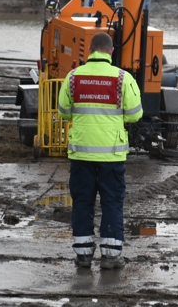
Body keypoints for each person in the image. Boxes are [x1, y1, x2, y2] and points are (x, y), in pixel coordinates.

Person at [57, 32, 143, 269]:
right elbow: (136, 114)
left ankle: (83, 255)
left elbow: (63, 111)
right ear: (111, 52)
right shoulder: (122, 78)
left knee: (82, 202)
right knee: (112, 201)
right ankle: (111, 256)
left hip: (81, 153)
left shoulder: (73, 77)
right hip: (111, 154)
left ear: (89, 52)